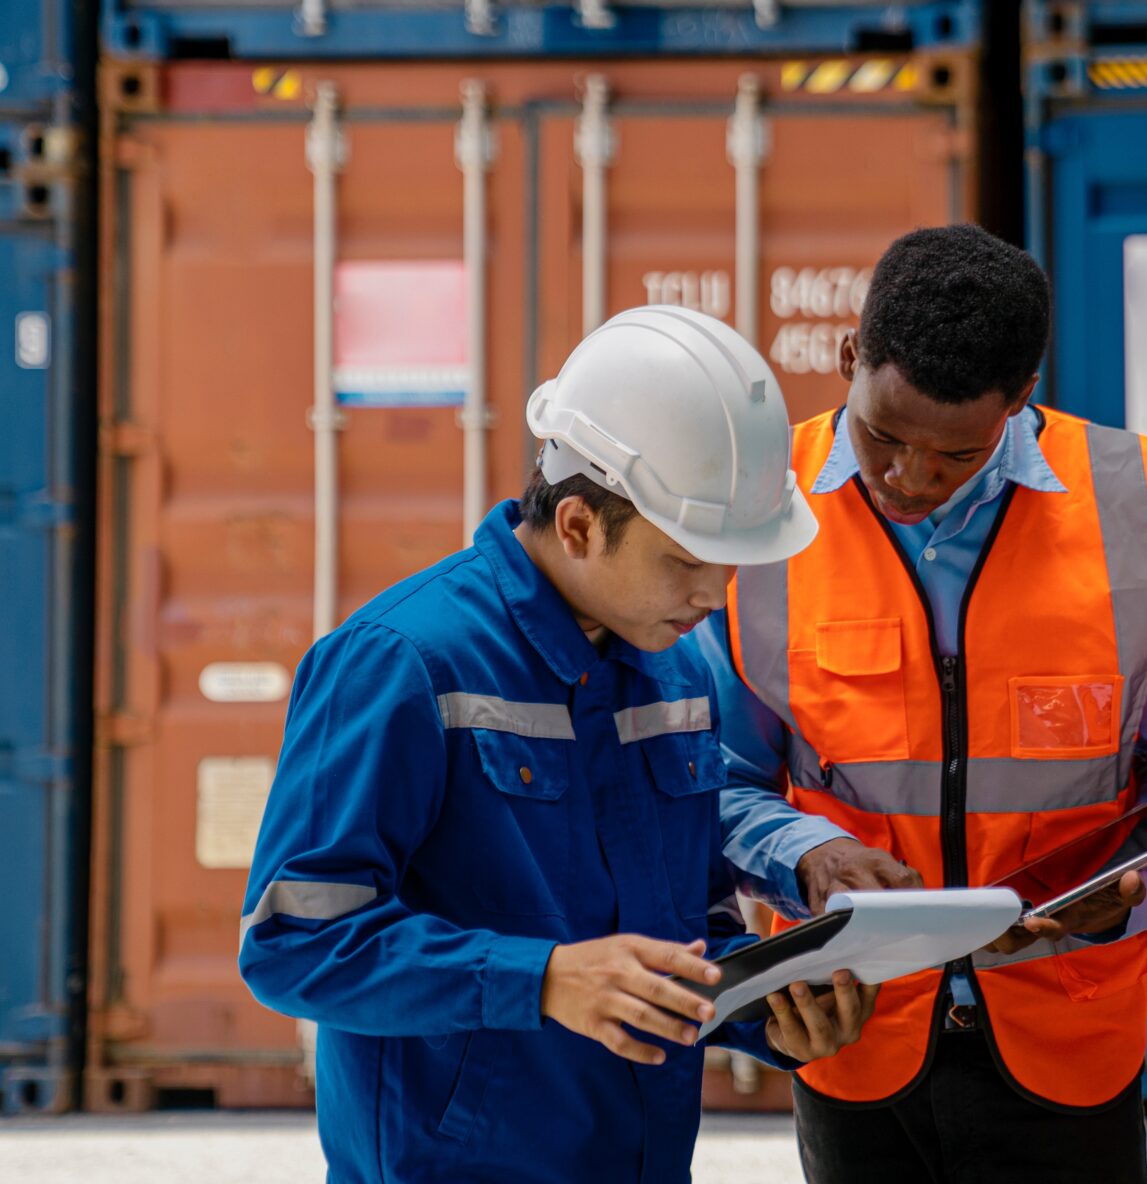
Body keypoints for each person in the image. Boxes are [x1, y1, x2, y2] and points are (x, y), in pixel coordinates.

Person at [238, 307, 880, 1183]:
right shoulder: (404, 663)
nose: (714, 595)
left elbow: (688, 930)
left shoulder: (675, 669)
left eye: (731, 565)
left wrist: (764, 1008)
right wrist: (539, 979)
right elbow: (292, 946)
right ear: (578, 525)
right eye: (687, 560)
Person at [693, 224, 1147, 1184]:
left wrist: (1120, 902)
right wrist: (805, 854)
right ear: (846, 359)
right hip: (851, 1029)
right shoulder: (757, 514)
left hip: (1070, 1030)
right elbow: (710, 780)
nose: (909, 478)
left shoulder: (1137, 500)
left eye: (954, 455)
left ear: (1018, 405)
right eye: (882, 435)